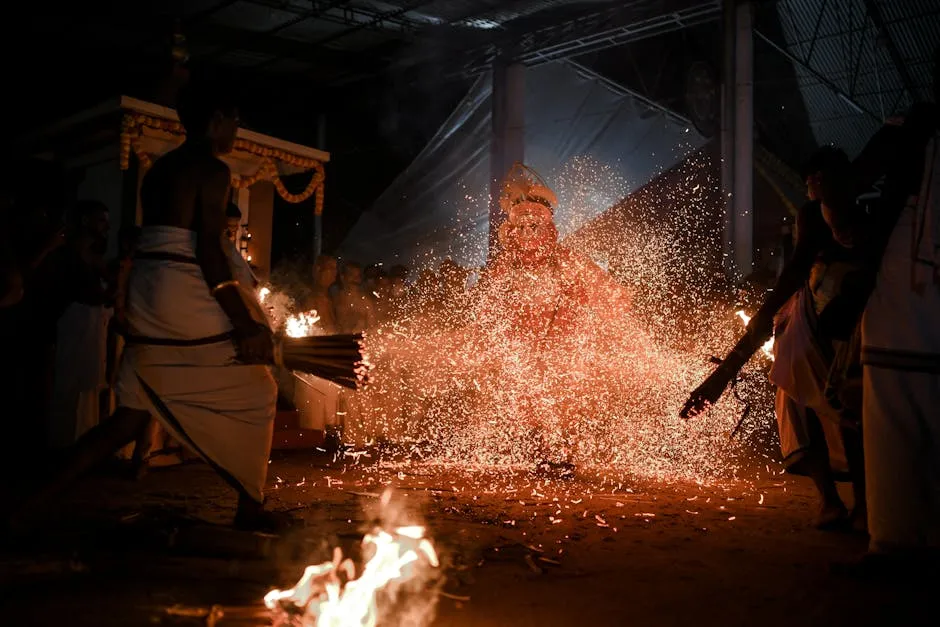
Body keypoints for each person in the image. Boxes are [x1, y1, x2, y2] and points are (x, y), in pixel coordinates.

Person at [7, 80, 282, 532]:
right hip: (180, 286)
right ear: (216, 120)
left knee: (129, 417)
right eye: (234, 120)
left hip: (149, 287)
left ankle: (24, 505)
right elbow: (210, 252)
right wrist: (244, 322)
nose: (237, 129)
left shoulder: (161, 169)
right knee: (258, 391)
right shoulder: (211, 169)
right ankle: (249, 507)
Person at [681, 146, 867, 530]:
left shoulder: (872, 217)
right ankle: (829, 502)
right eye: (811, 179)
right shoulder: (811, 216)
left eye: (824, 176)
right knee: (800, 406)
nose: (816, 184)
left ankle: (866, 507)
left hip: (850, 328)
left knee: (850, 414)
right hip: (805, 324)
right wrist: (723, 373)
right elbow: (796, 270)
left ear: (846, 182)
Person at [827, 50, 940, 575]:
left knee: (893, 415)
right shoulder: (910, 130)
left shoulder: (907, 129)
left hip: (905, 286)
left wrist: (852, 233)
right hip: (906, 283)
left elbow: (841, 192)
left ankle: (895, 542)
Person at [305, 254, 339, 332]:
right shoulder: (311, 299)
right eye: (331, 268)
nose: (335, 272)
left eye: (335, 268)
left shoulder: (331, 297)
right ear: (318, 270)